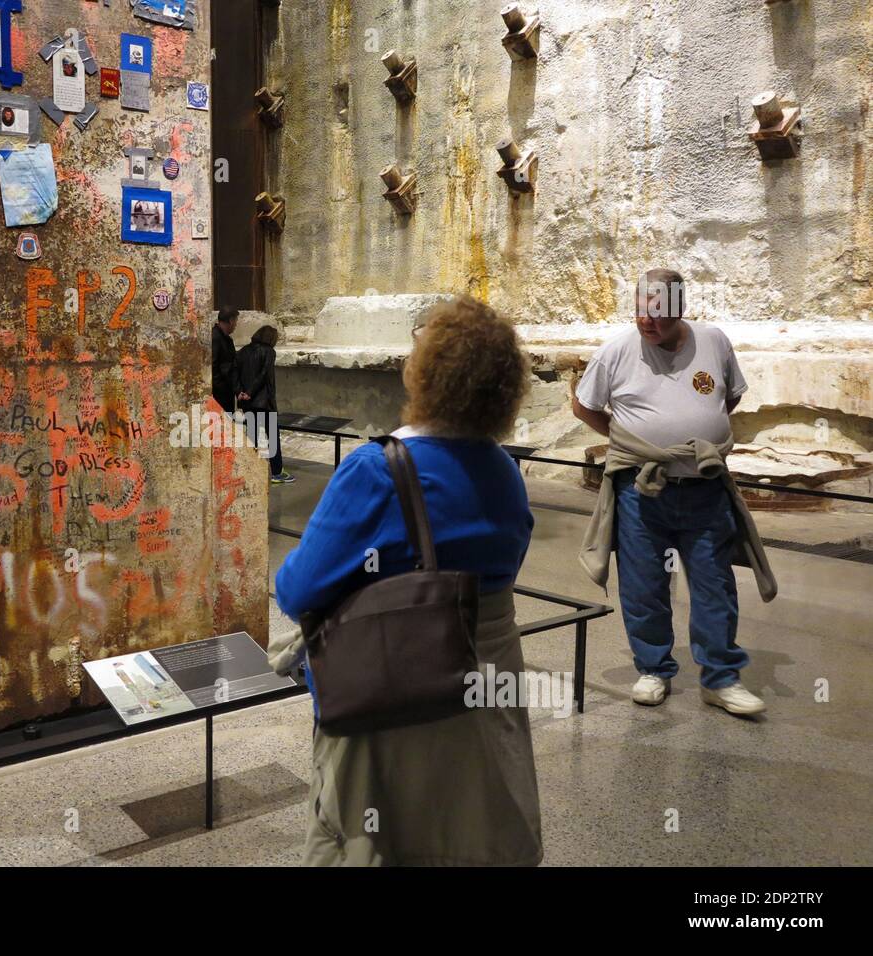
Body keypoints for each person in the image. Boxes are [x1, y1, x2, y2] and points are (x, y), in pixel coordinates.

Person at [271, 294, 541, 866]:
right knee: (463, 834)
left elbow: (297, 591)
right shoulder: (504, 471)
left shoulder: (377, 470)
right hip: (484, 697)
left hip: (396, 693)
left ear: (424, 374)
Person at [573, 269, 776, 717]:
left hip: (704, 489)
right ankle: (653, 669)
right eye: (641, 312)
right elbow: (583, 405)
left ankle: (720, 679)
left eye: (659, 315)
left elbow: (729, 397)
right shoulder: (616, 351)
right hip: (642, 490)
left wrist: (696, 429)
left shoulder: (714, 341)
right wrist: (630, 440)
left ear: (680, 309)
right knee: (644, 582)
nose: (648, 322)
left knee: (714, 583)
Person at [237, 324, 293, 484]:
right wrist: (251, 392)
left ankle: (252, 469)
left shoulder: (243, 351)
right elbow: (264, 375)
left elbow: (237, 373)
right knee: (273, 438)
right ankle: (276, 472)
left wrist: (242, 392)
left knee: (252, 437)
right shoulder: (269, 352)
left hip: (248, 403)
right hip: (264, 402)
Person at [210, 307, 244, 414]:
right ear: (230, 321)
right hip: (219, 395)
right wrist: (221, 388)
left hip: (226, 392)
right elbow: (213, 365)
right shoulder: (215, 337)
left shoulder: (226, 339)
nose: (236, 325)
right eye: (235, 321)